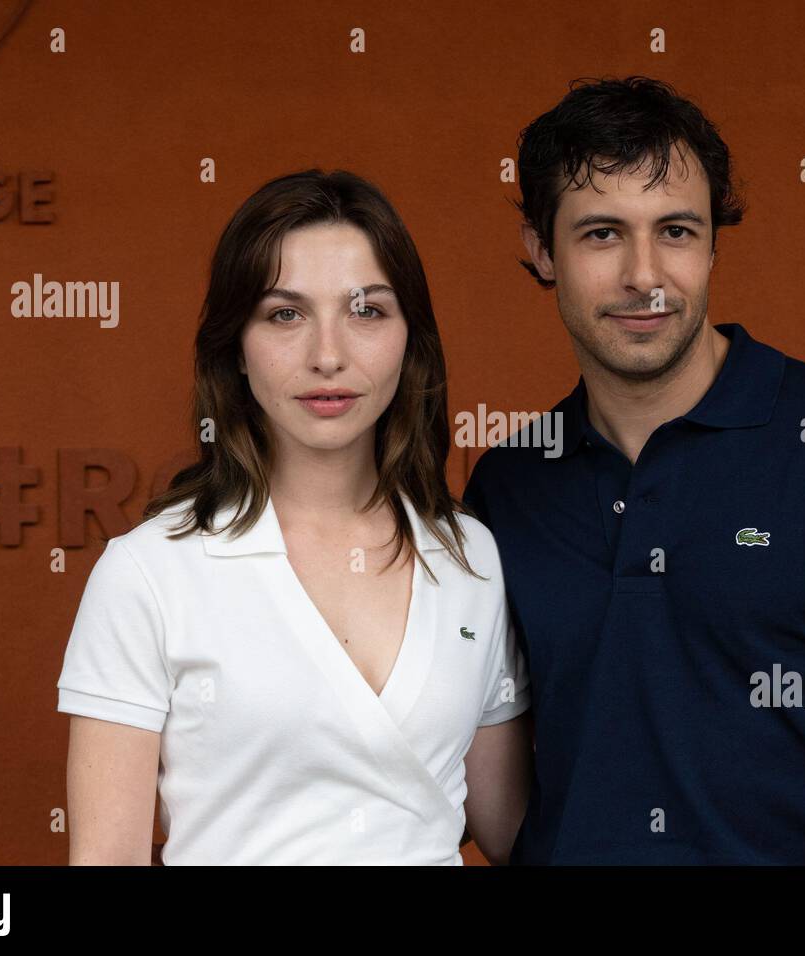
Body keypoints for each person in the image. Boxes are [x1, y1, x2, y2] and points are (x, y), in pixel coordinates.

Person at [461, 76, 805, 865]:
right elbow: (499, 774)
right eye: (602, 234)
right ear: (542, 250)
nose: (645, 275)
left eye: (676, 231)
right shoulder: (508, 486)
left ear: (714, 242)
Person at [56, 170, 532, 865]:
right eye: (285, 314)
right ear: (236, 351)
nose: (328, 355)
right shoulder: (150, 573)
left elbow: (517, 832)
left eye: (367, 310)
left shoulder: (470, 557)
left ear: (410, 339)